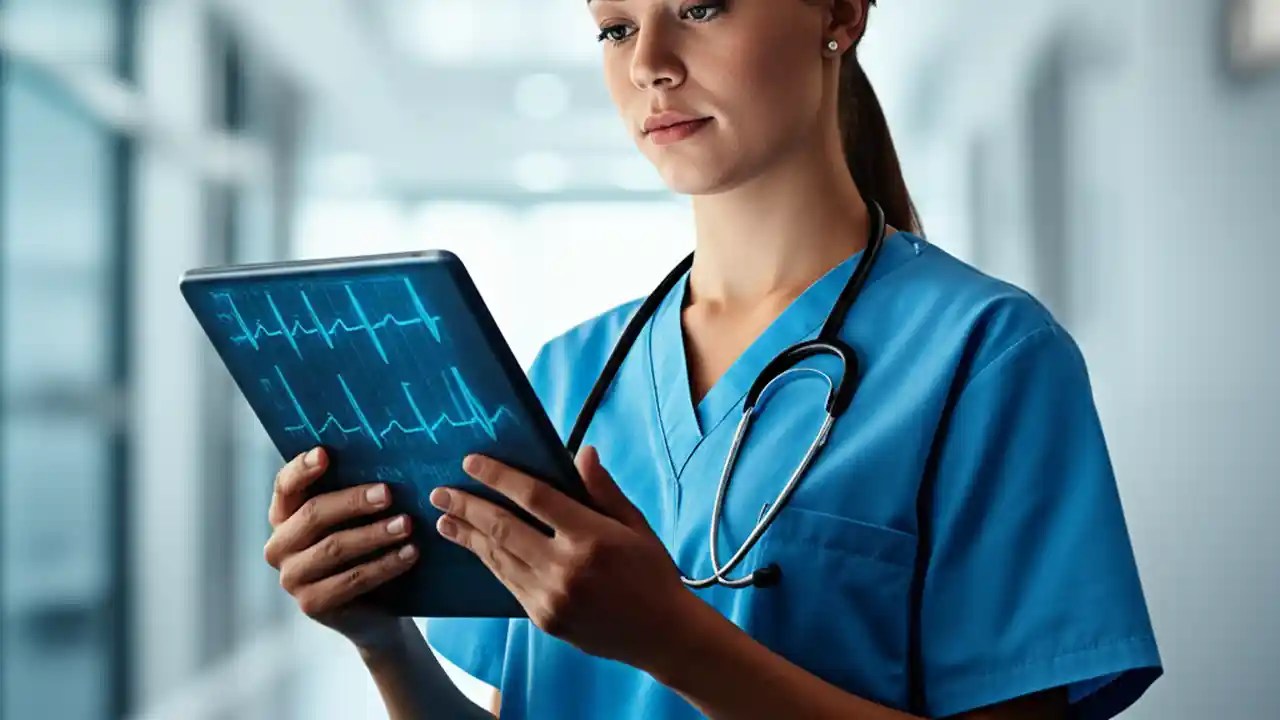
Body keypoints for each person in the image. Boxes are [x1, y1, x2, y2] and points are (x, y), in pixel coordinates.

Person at [262, 0, 1163, 717]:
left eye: (700, 8)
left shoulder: (988, 355)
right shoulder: (571, 374)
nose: (648, 60)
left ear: (840, 14)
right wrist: (382, 641)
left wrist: (672, 638)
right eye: (614, 27)